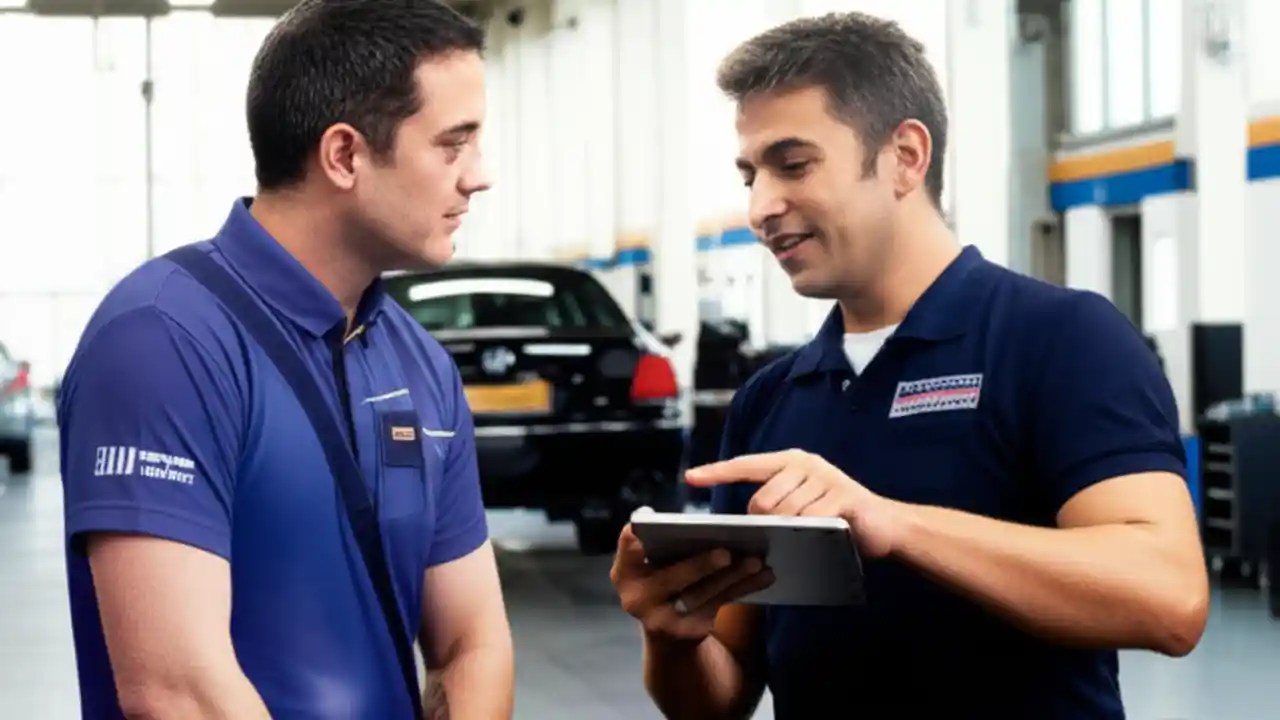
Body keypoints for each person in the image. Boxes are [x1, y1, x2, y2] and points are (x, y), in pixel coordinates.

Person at [610, 11, 1209, 719]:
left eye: (793, 164)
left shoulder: (1062, 339)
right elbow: (723, 697)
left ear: (905, 157)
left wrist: (894, 525)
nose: (762, 205)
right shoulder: (772, 401)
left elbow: (1168, 598)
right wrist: (673, 633)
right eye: (750, 175)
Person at [57, 1, 513, 718]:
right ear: (344, 155)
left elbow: (472, 644)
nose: (479, 176)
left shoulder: (421, 364)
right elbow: (180, 694)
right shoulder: (162, 340)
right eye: (452, 145)